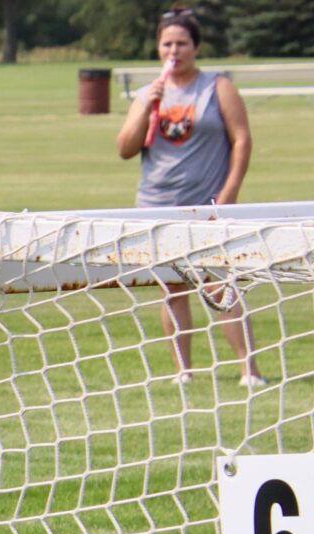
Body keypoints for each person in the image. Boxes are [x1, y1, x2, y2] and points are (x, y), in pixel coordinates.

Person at [116, 6, 266, 389]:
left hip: (206, 205)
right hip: (156, 204)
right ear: (158, 47)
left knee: (219, 285)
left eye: (182, 43)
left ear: (196, 47)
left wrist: (229, 191)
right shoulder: (149, 92)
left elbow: (242, 140)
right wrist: (145, 107)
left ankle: (249, 370)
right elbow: (125, 148)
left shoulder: (217, 88)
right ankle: (183, 369)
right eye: (167, 43)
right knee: (172, 287)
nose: (174, 51)